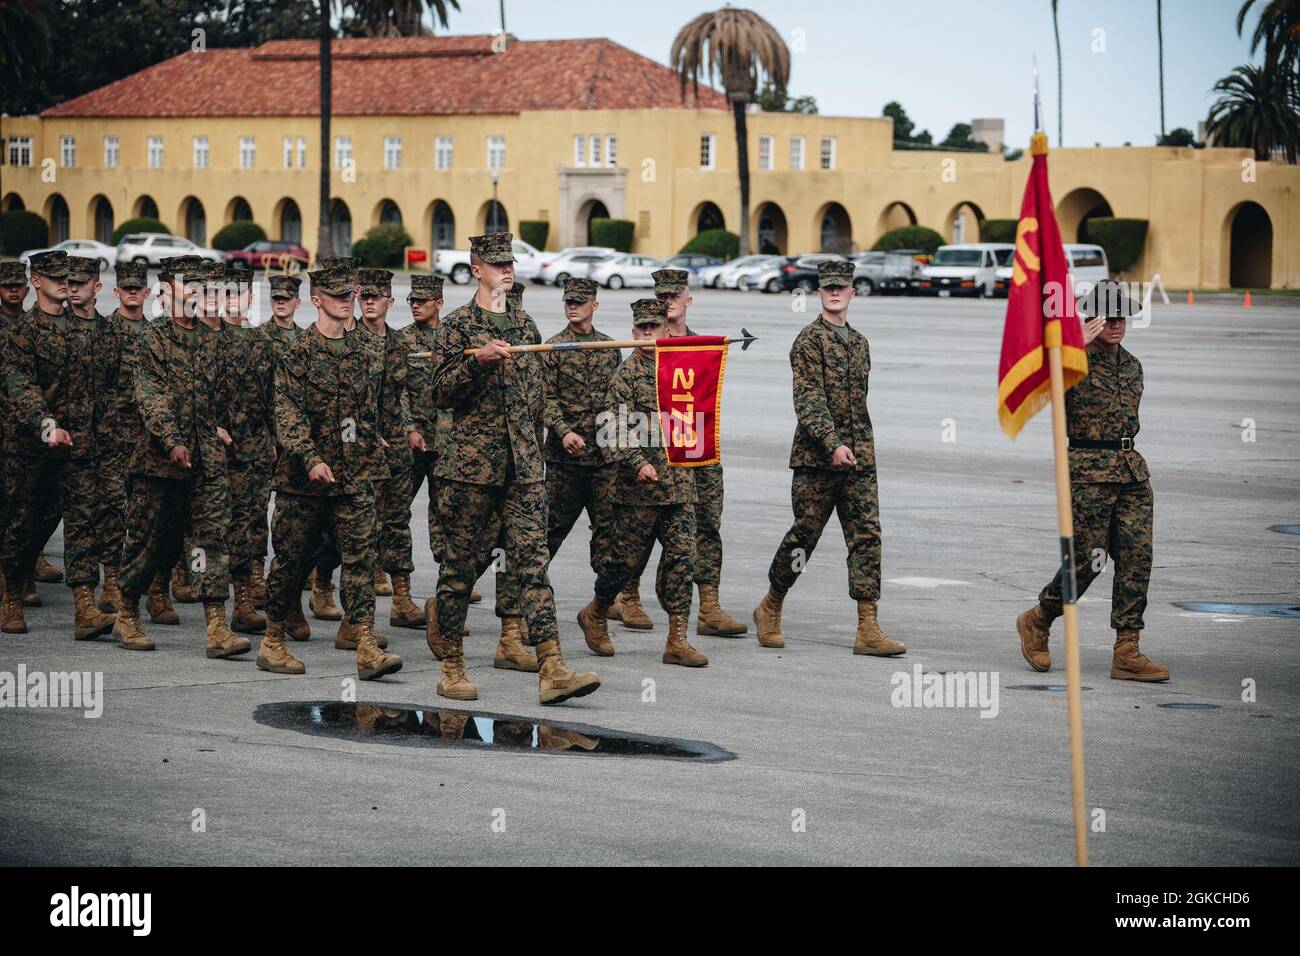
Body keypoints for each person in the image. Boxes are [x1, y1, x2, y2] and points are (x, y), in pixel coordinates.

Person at [429, 232, 599, 704]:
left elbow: (536, 399)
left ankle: (552, 666)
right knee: (460, 569)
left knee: (533, 566)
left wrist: (542, 451)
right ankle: (452, 665)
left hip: (524, 469)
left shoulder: (526, 328)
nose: (506, 270)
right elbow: (440, 393)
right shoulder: (458, 327)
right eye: (496, 263)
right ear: (476, 267)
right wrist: (477, 363)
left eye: (510, 263)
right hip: (470, 470)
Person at [255, 264, 402, 681]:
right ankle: (273, 640)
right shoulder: (296, 353)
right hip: (302, 481)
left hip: (354, 476)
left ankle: (366, 644)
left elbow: (369, 407)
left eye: (349, 294)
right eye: (337, 296)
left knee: (360, 559)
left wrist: (375, 440)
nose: (347, 301)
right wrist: (310, 457)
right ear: (317, 300)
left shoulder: (366, 351)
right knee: (290, 562)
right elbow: (287, 413)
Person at [753, 259, 905, 657]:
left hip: (859, 458)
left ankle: (867, 626)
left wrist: (853, 448)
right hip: (816, 460)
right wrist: (832, 443)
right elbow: (808, 400)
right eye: (828, 288)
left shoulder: (859, 343)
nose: (835, 293)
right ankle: (771, 605)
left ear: (852, 292)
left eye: (842, 287)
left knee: (867, 536)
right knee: (805, 537)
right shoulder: (809, 341)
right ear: (819, 293)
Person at [1017, 280, 1168, 682]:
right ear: (1089, 317)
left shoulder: (1133, 366)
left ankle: (1127, 648)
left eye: (1122, 316)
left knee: (1137, 557)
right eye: (1107, 316)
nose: (1115, 324)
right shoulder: (1070, 360)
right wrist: (1071, 348)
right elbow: (1038, 393)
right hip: (1086, 470)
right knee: (1087, 559)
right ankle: (1039, 617)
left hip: (1130, 470)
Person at [114, 257, 248, 657]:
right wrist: (172, 439)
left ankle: (216, 626)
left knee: (208, 539)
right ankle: (126, 612)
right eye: (188, 286)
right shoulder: (153, 338)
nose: (197, 293)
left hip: (204, 462)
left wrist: (215, 428)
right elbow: (150, 395)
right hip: (158, 462)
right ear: (168, 290)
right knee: (147, 542)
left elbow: (219, 396)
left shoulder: (211, 340)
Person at [609, 268, 748, 637]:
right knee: (639, 531)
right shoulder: (643, 344)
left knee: (704, 526)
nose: (668, 300)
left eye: (674, 295)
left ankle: (709, 605)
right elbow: (616, 421)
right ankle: (628, 596)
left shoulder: (700, 346)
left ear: (688, 299)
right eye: (662, 294)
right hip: (653, 458)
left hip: (695, 452)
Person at [576, 298, 708, 667]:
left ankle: (677, 639)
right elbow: (611, 427)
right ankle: (597, 611)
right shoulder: (627, 376)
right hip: (638, 491)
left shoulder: (681, 370)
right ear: (633, 333)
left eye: (655, 327)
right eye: (642, 329)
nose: (648, 334)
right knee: (623, 563)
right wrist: (636, 462)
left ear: (667, 331)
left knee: (683, 559)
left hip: (679, 486)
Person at [1, 253, 120, 640]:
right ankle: (12, 598)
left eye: (67, 278)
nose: (64, 284)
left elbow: (104, 384)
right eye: (54, 278)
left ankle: (85, 607)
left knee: (83, 524)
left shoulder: (85, 328)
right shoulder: (22, 331)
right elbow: (20, 386)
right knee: (25, 525)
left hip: (81, 448)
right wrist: (45, 424)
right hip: (32, 448)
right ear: (36, 281)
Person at [354, 267, 425, 633]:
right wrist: (367, 430)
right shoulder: (349, 340)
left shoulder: (400, 344)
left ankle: (401, 597)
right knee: (358, 526)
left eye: (375, 297)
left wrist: (408, 428)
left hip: (394, 445)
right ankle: (326, 592)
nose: (368, 302)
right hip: (359, 446)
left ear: (389, 302)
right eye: (363, 296)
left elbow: (402, 394)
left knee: (397, 521)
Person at [541, 276, 621, 589]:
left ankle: (607, 602)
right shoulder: (552, 347)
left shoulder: (609, 348)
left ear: (594, 305)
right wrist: (562, 431)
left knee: (609, 533)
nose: (573, 307)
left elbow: (618, 402)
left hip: (602, 462)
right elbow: (544, 398)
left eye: (579, 302)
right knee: (549, 531)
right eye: (568, 302)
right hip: (565, 462)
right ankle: (524, 598)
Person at [218, 265, 276, 636]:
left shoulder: (260, 343)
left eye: (239, 294)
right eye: (225, 294)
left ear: (250, 299)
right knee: (208, 527)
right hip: (213, 449)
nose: (232, 301)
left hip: (252, 450)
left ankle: (242, 599)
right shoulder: (208, 339)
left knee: (250, 521)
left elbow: (272, 399)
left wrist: (274, 441)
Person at [99, 260, 157, 618]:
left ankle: (147, 586)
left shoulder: (155, 334)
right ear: (116, 291)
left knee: (143, 515)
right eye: (127, 288)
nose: (133, 292)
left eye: (138, 287)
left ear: (147, 293)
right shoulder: (105, 333)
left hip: (146, 439)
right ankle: (111, 582)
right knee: (111, 512)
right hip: (111, 436)